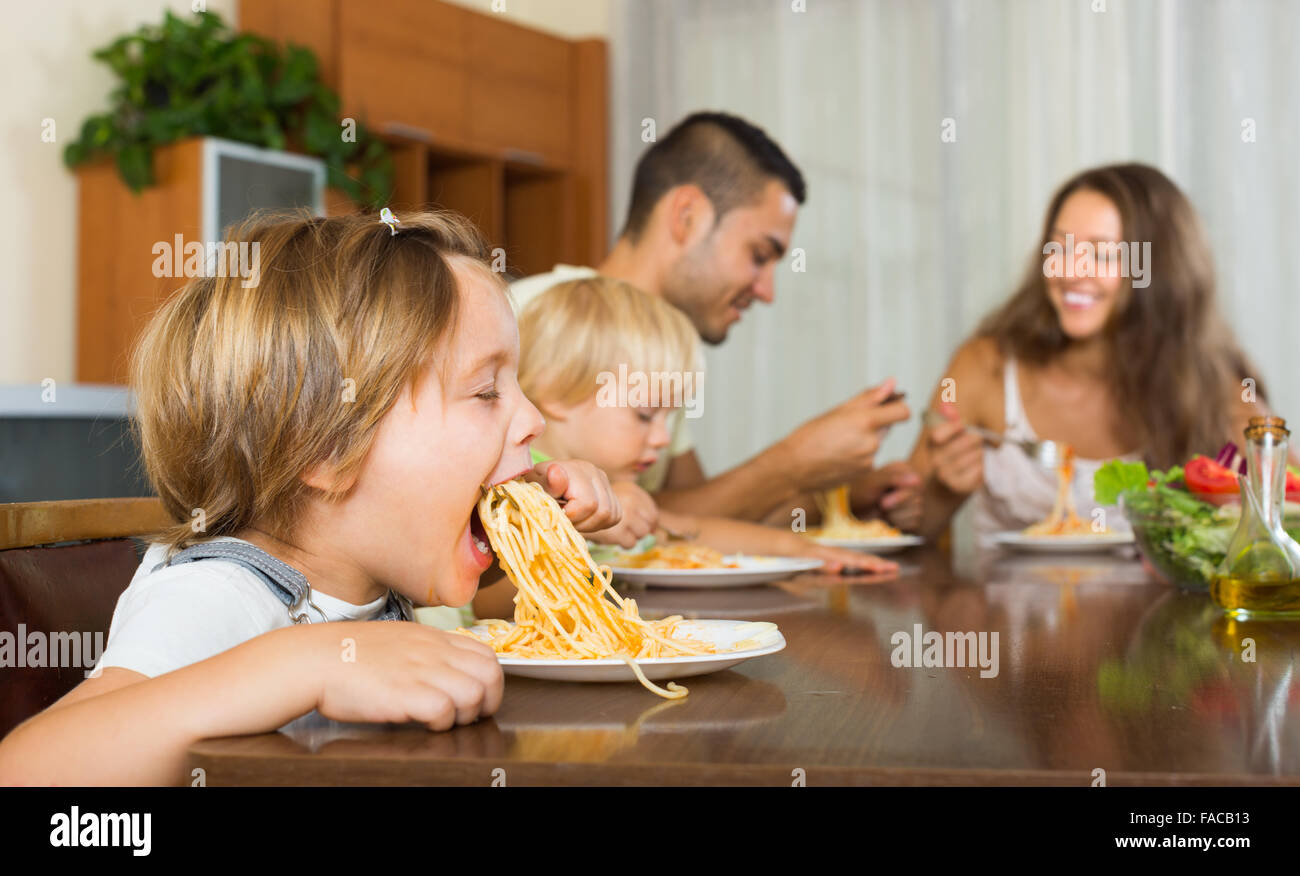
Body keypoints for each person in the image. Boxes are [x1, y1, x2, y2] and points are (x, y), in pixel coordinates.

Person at [0, 210, 625, 785]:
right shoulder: (220, 597)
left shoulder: (374, 569)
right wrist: (305, 667)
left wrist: (550, 538)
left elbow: (493, 607)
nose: (535, 421)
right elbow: (28, 771)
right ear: (326, 449)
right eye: (487, 392)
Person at [510, 111, 917, 527]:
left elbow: (696, 521)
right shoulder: (523, 319)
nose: (767, 292)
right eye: (759, 255)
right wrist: (791, 461)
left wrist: (847, 497)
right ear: (688, 216)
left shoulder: (664, 350)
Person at [908, 163, 1293, 541]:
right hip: (1010, 606)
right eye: (1059, 247)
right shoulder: (985, 366)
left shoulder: (1211, 387)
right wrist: (943, 490)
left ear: (1156, 270)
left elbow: (1291, 509)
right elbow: (906, 525)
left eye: (1102, 254)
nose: (1070, 272)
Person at [472, 277, 897, 618]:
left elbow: (688, 530)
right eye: (644, 415)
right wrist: (569, 531)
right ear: (556, 390)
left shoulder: (619, 490)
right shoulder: (518, 482)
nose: (661, 438)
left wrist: (805, 552)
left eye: (669, 418)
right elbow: (485, 604)